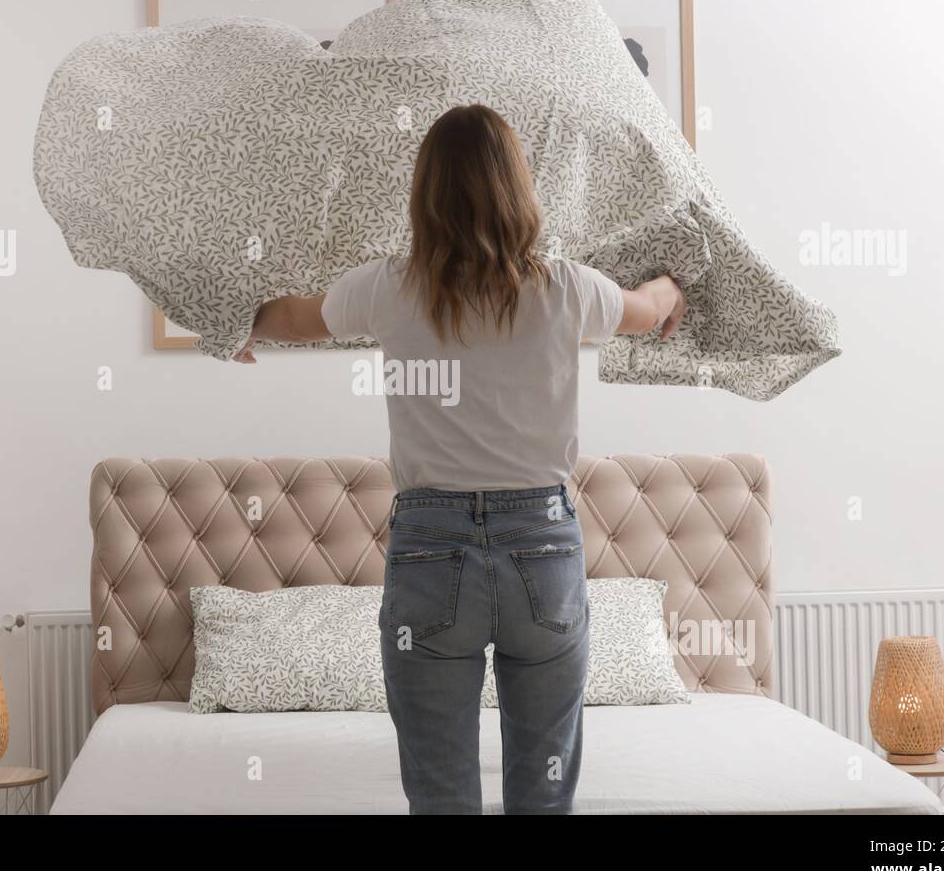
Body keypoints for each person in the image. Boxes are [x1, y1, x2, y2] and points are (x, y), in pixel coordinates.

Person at [234, 104, 686, 814]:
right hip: (542, 549)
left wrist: (229, 313)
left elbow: (289, 317)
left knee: (441, 795)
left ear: (425, 193)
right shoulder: (567, 287)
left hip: (430, 553)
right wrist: (674, 286)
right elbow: (648, 308)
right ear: (520, 188)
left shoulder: (390, 286)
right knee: (542, 796)